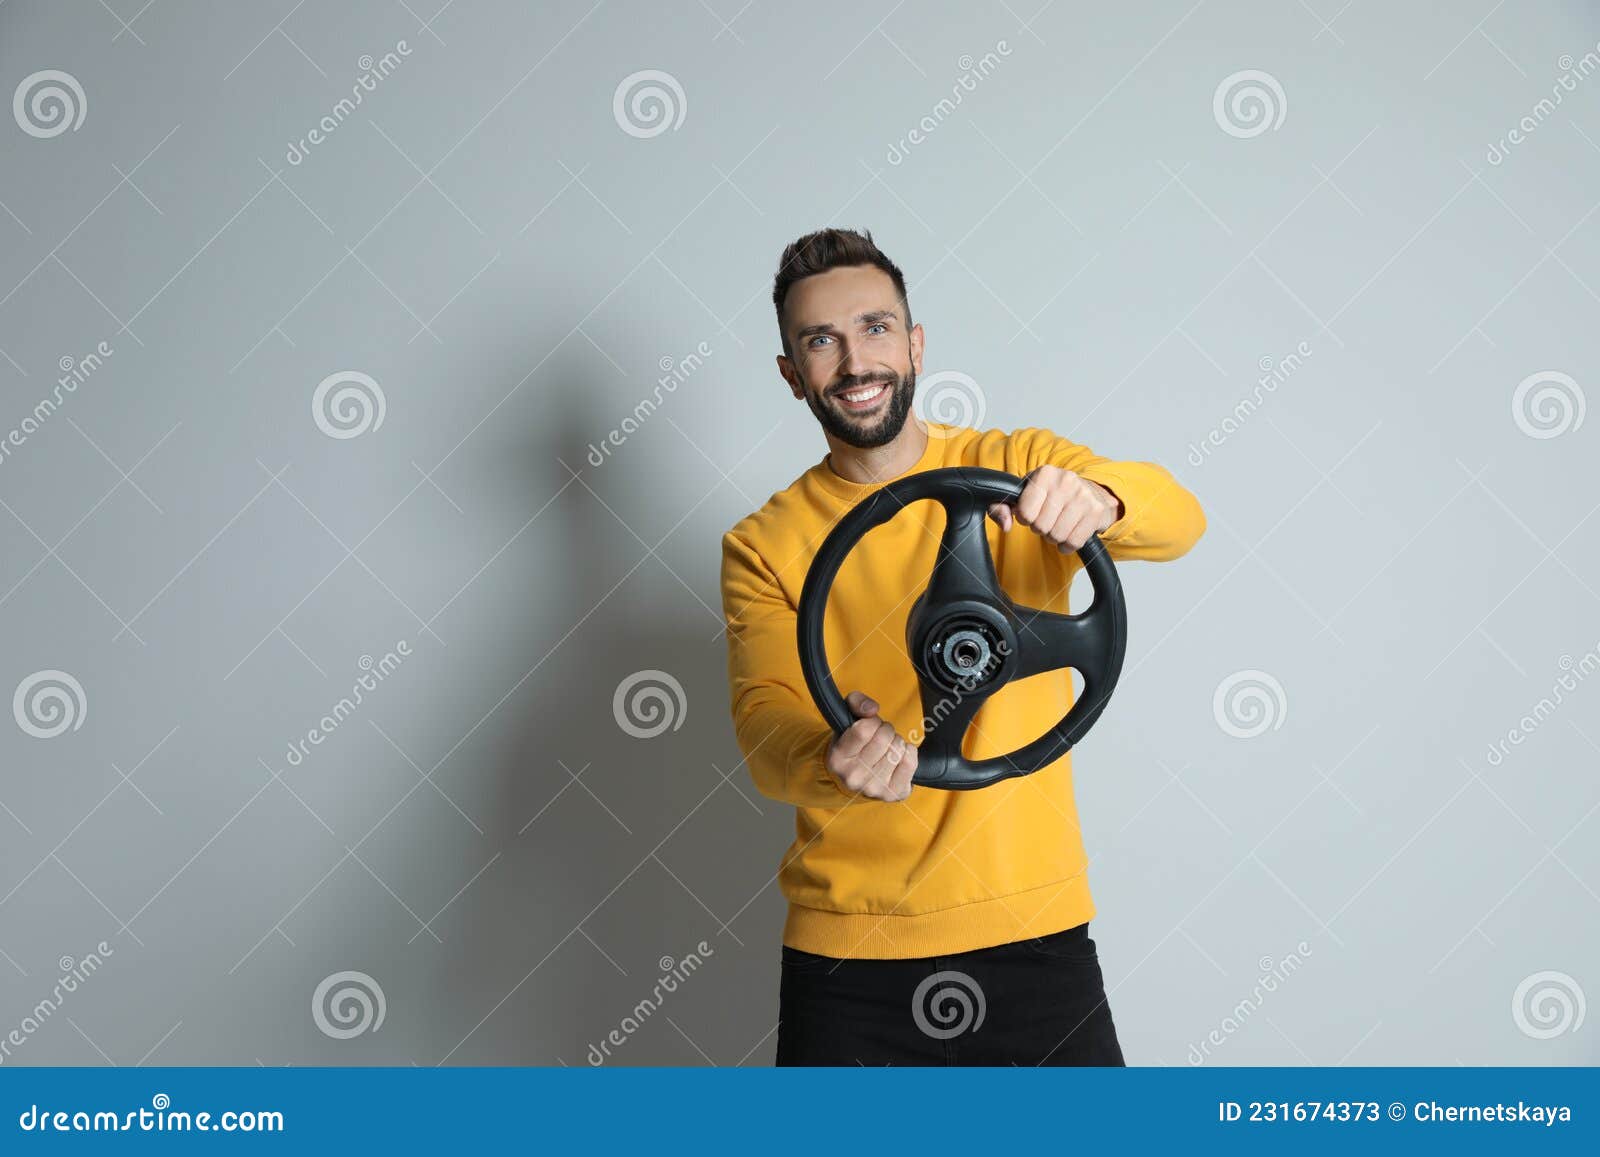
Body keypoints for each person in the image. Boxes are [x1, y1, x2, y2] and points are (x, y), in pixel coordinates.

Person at [718, 227, 1206, 1065]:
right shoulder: (763, 542)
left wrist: (1100, 499)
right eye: (820, 341)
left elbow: (1180, 518)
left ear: (914, 343)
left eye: (874, 328)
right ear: (791, 374)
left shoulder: (1015, 467)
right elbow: (765, 728)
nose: (855, 361)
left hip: (1035, 931)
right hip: (847, 957)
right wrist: (831, 755)